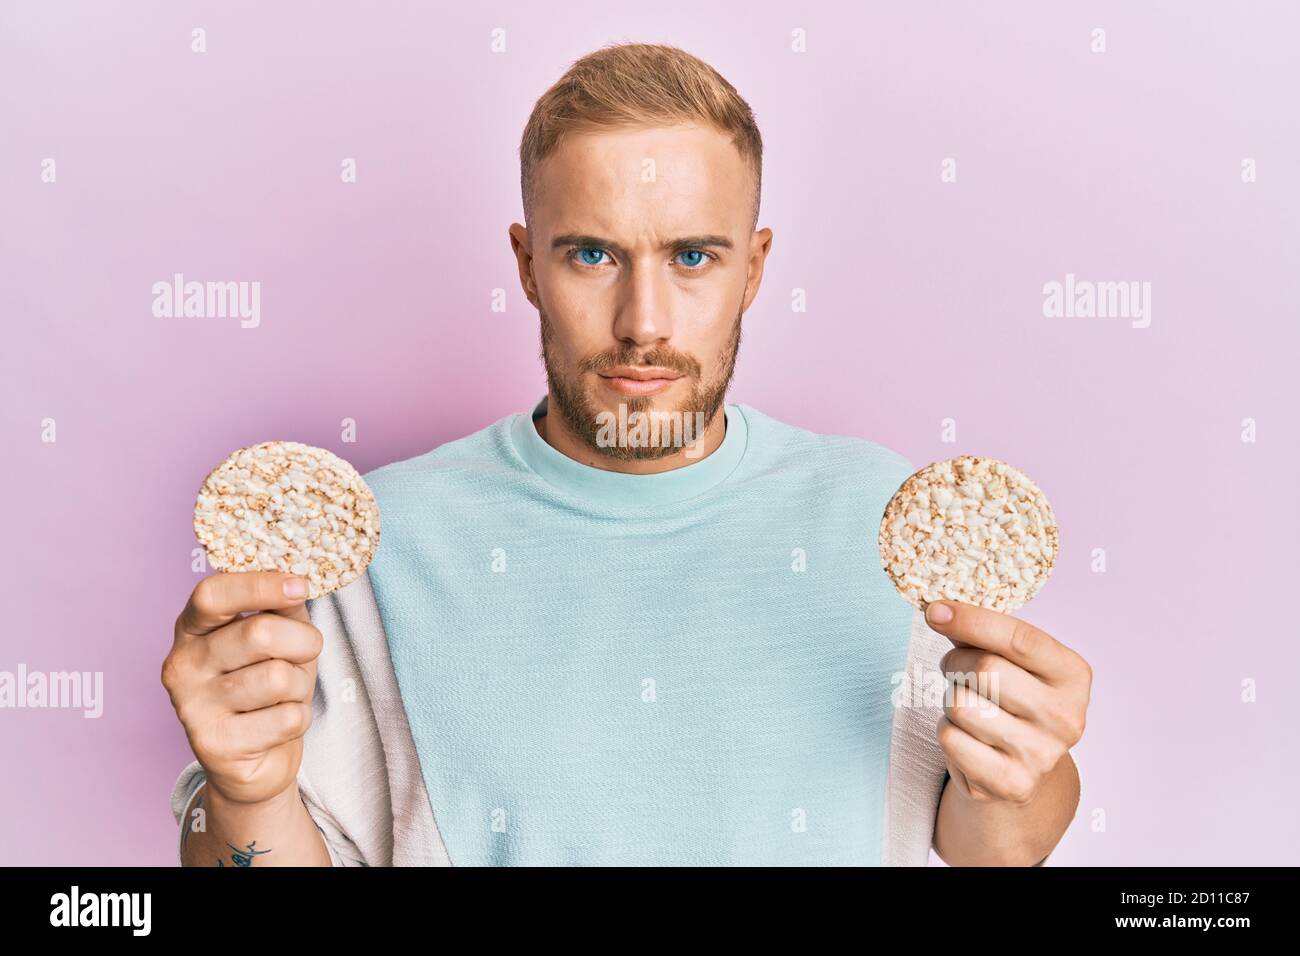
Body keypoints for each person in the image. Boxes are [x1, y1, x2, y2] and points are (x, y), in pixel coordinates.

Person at [162, 42, 1090, 867]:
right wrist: (245, 792)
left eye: (692, 257)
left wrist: (1016, 777)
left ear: (754, 269)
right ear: (527, 265)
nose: (644, 324)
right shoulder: (379, 544)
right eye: (593, 256)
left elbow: (994, 850)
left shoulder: (886, 520)